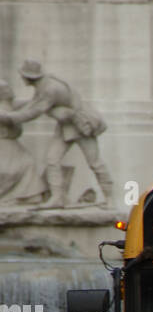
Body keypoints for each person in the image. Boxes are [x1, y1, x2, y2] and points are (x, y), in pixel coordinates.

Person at [12, 59, 112, 206]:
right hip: (65, 126)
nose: (21, 78)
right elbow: (32, 104)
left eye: (22, 75)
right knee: (52, 159)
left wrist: (6, 116)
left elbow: (32, 113)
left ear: (29, 77)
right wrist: (10, 107)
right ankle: (57, 197)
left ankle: (110, 198)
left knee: (95, 163)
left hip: (81, 126)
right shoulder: (43, 85)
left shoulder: (49, 89)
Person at [0, 79, 44, 202]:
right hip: (3, 146)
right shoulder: (3, 110)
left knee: (27, 163)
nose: (10, 90)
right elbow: (13, 118)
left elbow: (30, 103)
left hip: (12, 146)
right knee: (11, 169)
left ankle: (28, 195)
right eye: (5, 89)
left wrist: (41, 97)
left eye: (8, 87)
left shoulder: (10, 104)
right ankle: (13, 196)